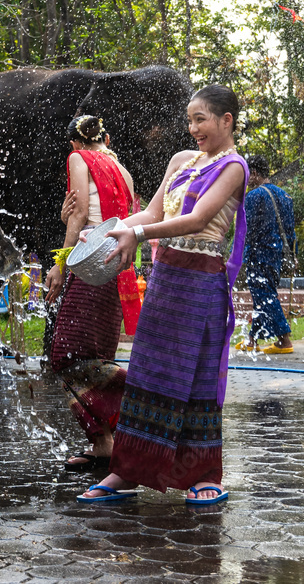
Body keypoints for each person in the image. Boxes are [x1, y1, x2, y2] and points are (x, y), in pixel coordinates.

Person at [79, 84, 248, 505]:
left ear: (226, 120)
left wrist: (135, 233)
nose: (193, 129)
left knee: (195, 375)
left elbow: (197, 219)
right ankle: (127, 470)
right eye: (190, 120)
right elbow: (153, 214)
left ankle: (203, 473)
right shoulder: (181, 161)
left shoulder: (235, 167)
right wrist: (110, 229)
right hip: (167, 276)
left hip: (201, 281)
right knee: (148, 372)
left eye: (201, 119)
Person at [43, 115, 140, 473]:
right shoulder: (123, 170)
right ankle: (103, 444)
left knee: (67, 355)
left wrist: (61, 263)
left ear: (74, 143)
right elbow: (117, 218)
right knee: (95, 352)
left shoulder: (77, 159)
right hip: (117, 270)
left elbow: (82, 214)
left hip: (91, 264)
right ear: (107, 137)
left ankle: (145, 395)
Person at [238, 155, 296, 353]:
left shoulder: (254, 196)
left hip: (258, 254)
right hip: (277, 255)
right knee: (263, 295)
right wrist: (293, 255)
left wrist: (234, 254)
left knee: (264, 295)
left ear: (254, 173)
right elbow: (289, 231)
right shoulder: (285, 195)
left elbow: (245, 230)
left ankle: (284, 339)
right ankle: (253, 340)